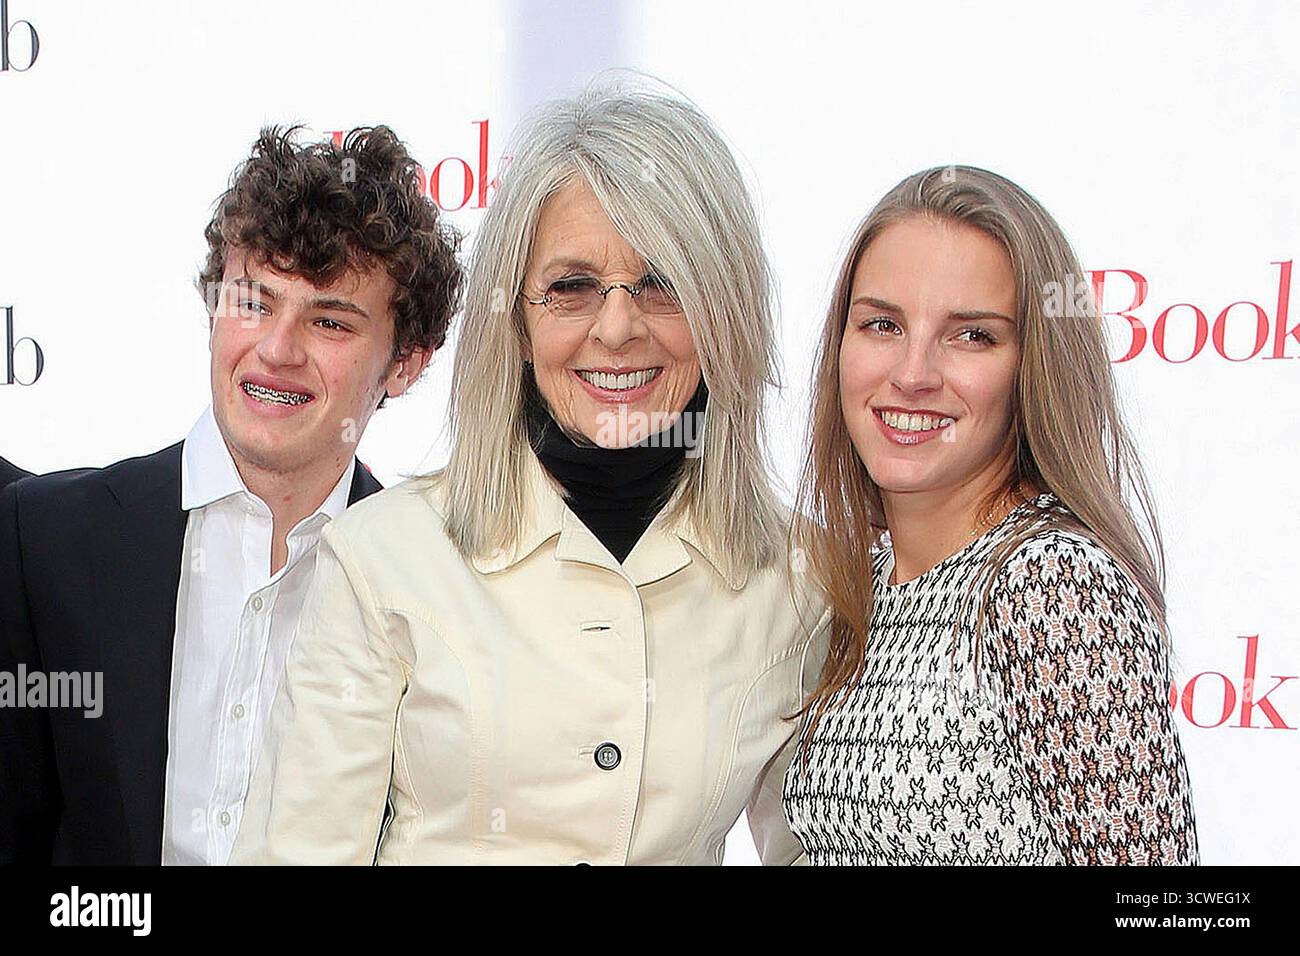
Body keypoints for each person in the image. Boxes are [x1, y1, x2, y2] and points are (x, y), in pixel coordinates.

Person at [232, 85, 829, 866]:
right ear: (515, 318)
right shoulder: (381, 557)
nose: (617, 327)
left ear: (724, 310)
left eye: (663, 284)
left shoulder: (799, 578)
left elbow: (818, 849)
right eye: (571, 288)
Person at [0, 125, 462, 865]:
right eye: (254, 302)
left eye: (329, 321)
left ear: (405, 363)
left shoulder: (437, 584)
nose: (277, 349)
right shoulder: (45, 538)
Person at [782, 166, 1198, 865]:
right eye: (883, 324)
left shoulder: (1054, 585)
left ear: (1034, 365)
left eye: (971, 335)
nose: (913, 373)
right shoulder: (870, 582)